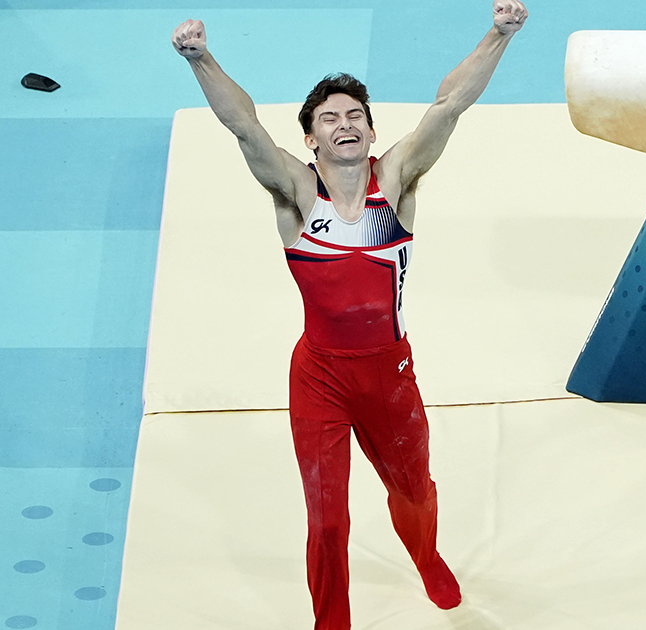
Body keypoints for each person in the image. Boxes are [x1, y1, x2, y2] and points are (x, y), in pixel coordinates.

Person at [170, 2, 527, 627]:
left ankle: (426, 556)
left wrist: (497, 34)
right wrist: (201, 59)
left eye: (355, 115)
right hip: (320, 378)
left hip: (389, 376)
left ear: (369, 129)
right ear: (310, 138)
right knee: (327, 515)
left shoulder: (397, 180)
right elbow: (244, 126)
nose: (344, 124)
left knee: (413, 489)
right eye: (329, 118)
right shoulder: (297, 193)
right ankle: (330, 619)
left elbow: (447, 107)